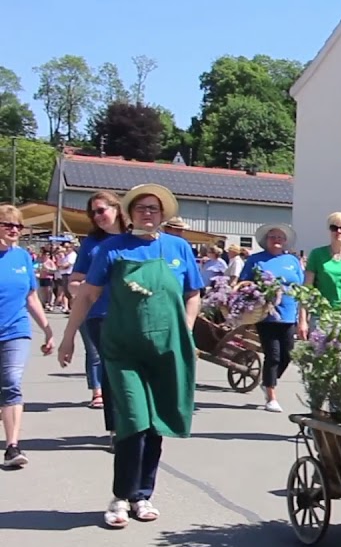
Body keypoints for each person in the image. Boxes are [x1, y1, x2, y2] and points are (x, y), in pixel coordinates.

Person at [57, 184, 204, 529]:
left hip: (166, 349)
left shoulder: (178, 248)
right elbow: (88, 295)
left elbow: (193, 293)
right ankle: (120, 497)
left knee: (157, 425)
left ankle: (143, 495)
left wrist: (185, 328)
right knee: (133, 422)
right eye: (141, 208)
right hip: (123, 350)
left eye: (154, 208)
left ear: (163, 214)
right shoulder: (112, 248)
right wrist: (67, 339)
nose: (147, 213)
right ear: (130, 213)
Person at [0, 204, 55, 469]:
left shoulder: (22, 257)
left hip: (15, 330)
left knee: (11, 382)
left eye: (18, 226)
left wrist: (46, 328)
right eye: (8, 225)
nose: (14, 230)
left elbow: (31, 296)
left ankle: (12, 447)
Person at [70, 191, 128, 423]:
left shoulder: (136, 237)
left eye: (101, 210)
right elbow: (73, 283)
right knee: (111, 369)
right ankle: (116, 428)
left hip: (133, 315)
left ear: (117, 209)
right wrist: (90, 286)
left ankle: (135, 424)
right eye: (93, 213)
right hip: (99, 315)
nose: (97, 216)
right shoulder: (91, 244)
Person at [243, 224, 304, 413]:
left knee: (288, 354)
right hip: (265, 315)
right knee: (274, 355)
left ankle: (268, 381)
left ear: (285, 241)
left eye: (280, 237)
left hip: (288, 314)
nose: (276, 240)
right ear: (266, 240)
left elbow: (302, 287)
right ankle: (271, 396)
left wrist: (303, 317)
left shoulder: (292, 261)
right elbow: (243, 283)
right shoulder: (256, 260)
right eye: (272, 237)